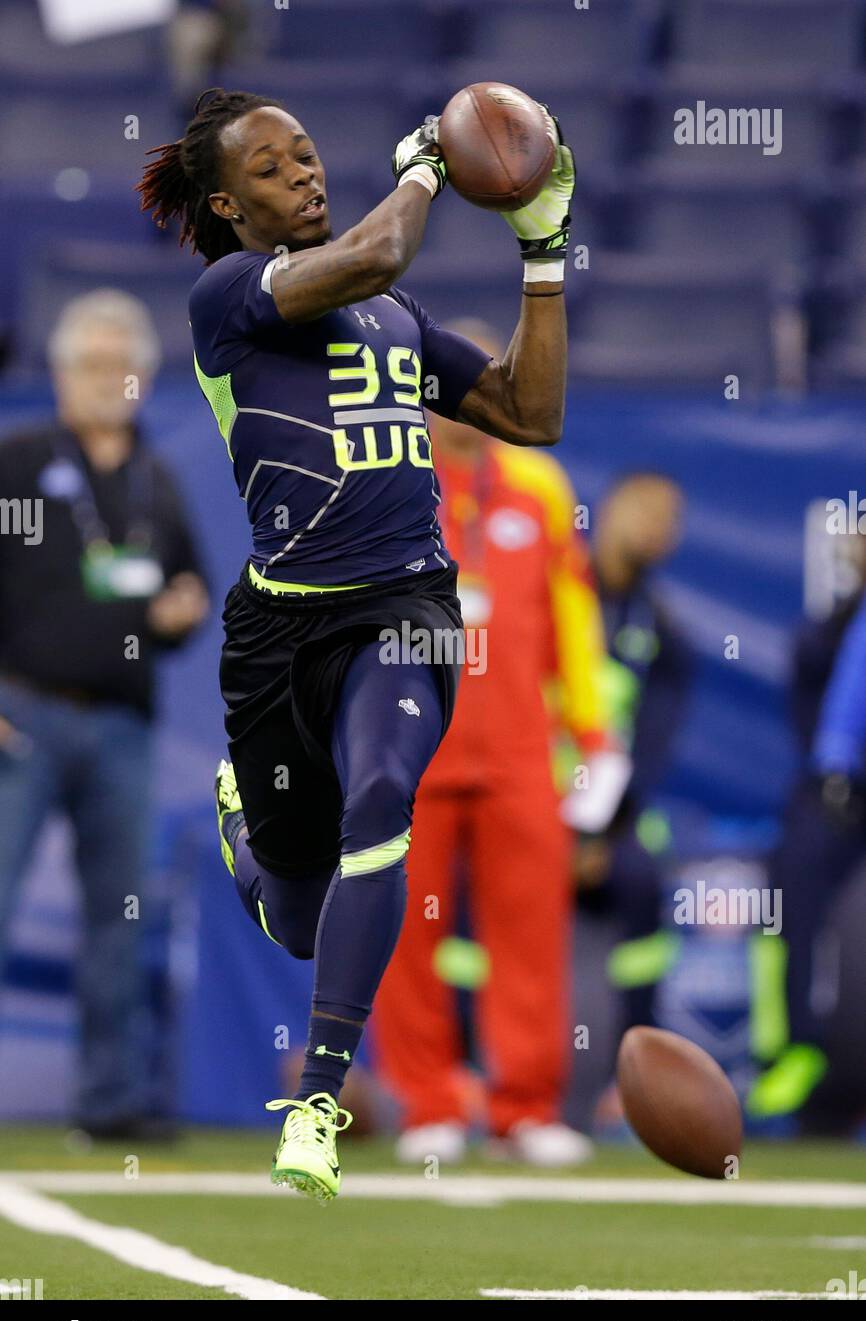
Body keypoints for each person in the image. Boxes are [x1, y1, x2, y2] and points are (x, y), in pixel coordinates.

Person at [137, 87, 575, 1199]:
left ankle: (318, 1102)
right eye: (277, 170)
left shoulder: (396, 312)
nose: (308, 176)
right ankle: (251, 815)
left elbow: (529, 414)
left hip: (406, 608)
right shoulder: (229, 296)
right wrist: (432, 162)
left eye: (311, 154)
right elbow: (375, 251)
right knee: (295, 918)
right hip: (284, 628)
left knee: (384, 792)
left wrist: (541, 250)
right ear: (231, 205)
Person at [373, 320, 610, 1166]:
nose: (462, 399)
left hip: (517, 749)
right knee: (403, 935)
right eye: (446, 381)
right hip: (409, 750)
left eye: (478, 380)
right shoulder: (386, 482)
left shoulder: (541, 486)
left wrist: (596, 735)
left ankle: (524, 1107)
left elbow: (574, 620)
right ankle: (429, 1101)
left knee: (530, 934)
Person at [0, 290, 209, 1138]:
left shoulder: (156, 481)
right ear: (59, 374)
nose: (108, 380)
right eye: (92, 363)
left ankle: (108, 1102)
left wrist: (181, 613)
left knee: (118, 918)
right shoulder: (16, 466)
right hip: (23, 718)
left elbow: (185, 587)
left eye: (123, 366)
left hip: (122, 727)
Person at [575, 472, 691, 1127]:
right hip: (528, 802)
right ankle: (469, 1067)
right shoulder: (556, 595)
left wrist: (601, 834)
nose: (654, 528)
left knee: (645, 880)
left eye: (669, 519)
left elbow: (650, 748)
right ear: (610, 509)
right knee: (465, 895)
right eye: (644, 510)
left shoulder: (665, 633)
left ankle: (629, 1070)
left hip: (612, 818)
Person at [749, 557, 866, 1120]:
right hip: (839, 792)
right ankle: (790, 1050)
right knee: (788, 886)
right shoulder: (828, 629)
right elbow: (821, 725)